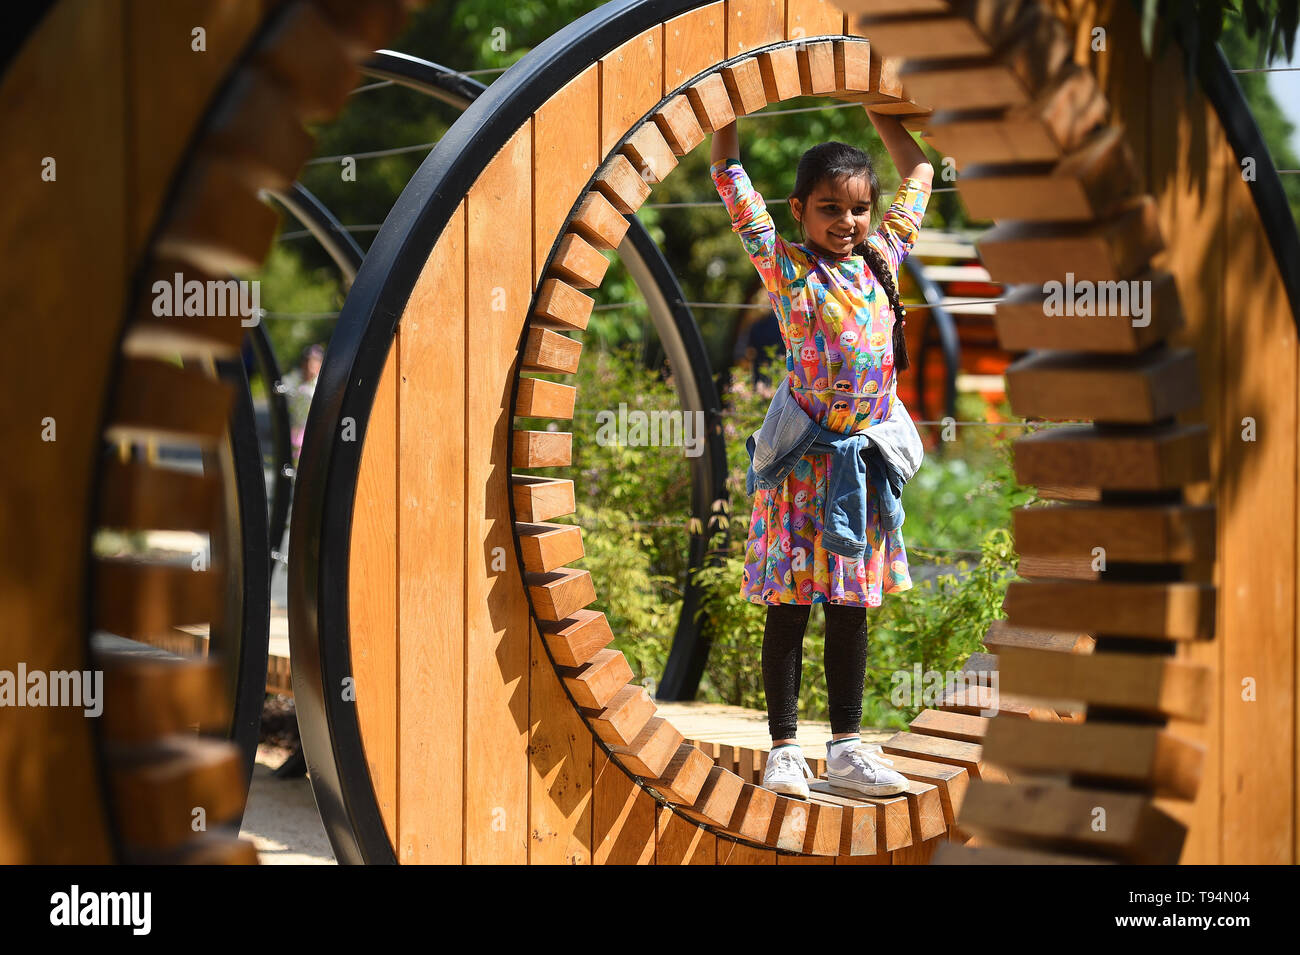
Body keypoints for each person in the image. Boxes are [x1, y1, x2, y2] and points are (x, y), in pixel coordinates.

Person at [709, 108, 933, 801]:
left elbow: (921, 173)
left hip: (859, 475)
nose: (848, 221)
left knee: (849, 609)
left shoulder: (882, 263)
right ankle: (783, 749)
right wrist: (727, 113)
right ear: (800, 210)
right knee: (790, 606)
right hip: (802, 471)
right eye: (830, 208)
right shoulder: (787, 270)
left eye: (859, 208)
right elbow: (730, 178)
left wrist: (884, 115)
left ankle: (846, 747)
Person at [281, 343, 323, 466]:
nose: (310, 366)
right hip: (294, 429)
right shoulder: (293, 379)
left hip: (314, 433)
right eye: (308, 361)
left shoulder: (322, 384)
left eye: (315, 362)